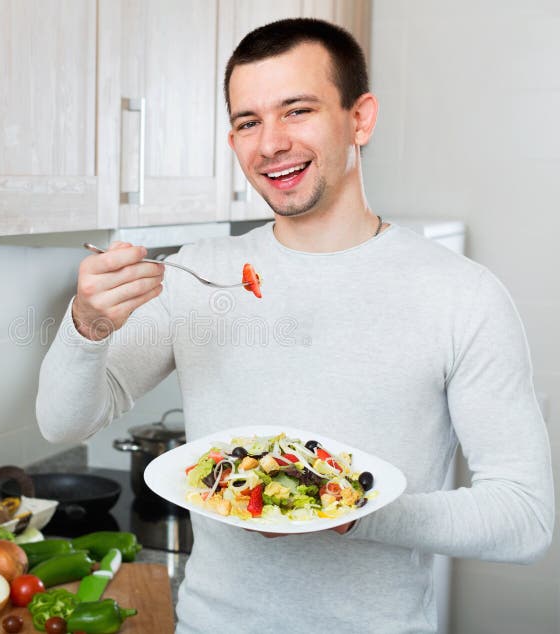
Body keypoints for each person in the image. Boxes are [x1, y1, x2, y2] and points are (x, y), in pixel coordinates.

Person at [36, 18, 553, 633]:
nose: (270, 143)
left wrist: (350, 510)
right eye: (248, 121)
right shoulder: (200, 274)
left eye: (297, 110)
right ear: (232, 141)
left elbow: (525, 519)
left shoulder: (463, 296)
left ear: (360, 118)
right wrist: (87, 323)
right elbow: (60, 422)